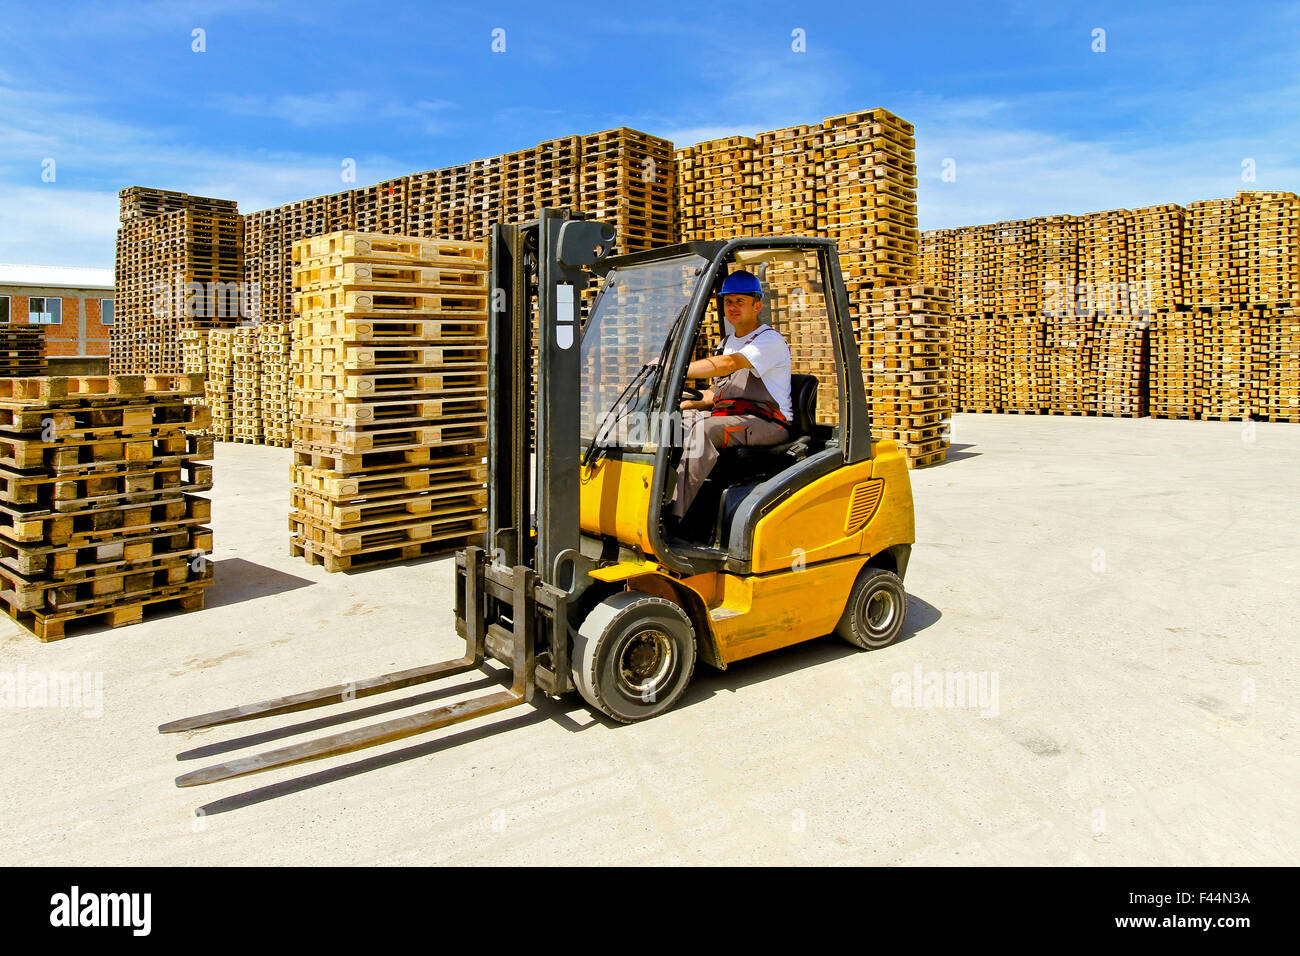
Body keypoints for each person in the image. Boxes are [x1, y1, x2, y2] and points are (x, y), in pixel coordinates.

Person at [670, 270, 793, 522]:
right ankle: (658, 497)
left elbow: (727, 364)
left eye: (740, 301)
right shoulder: (727, 341)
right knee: (670, 421)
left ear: (757, 305)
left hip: (768, 423)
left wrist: (673, 368)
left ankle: (675, 517)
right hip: (732, 417)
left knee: (705, 429)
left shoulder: (768, 340)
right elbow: (715, 394)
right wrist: (683, 403)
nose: (733, 307)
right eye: (728, 301)